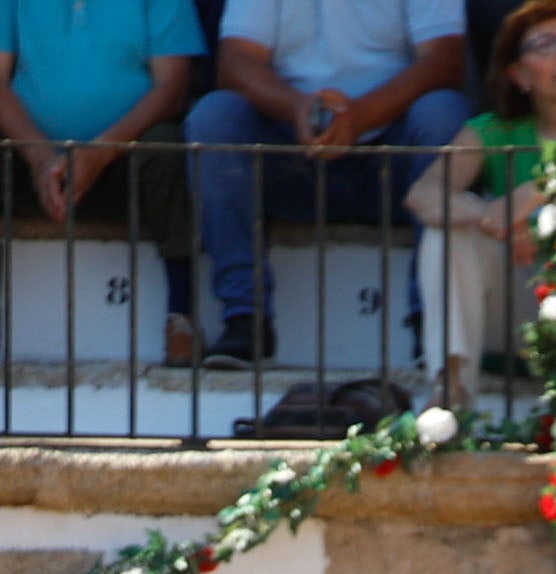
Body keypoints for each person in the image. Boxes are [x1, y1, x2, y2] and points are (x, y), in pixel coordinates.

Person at [183, 0, 470, 367]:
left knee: (443, 112)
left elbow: (445, 60)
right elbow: (236, 62)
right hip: (295, 151)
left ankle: (431, 320)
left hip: (392, 152)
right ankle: (245, 319)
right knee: (215, 116)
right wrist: (298, 109)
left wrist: (360, 116)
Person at [407, 0, 556, 405]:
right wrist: (491, 215)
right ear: (517, 73)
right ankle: (450, 391)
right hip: (519, 300)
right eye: (545, 45)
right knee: (445, 231)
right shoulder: (493, 130)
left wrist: (532, 195)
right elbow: (423, 195)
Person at [0, 0, 199, 363]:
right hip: (31, 166)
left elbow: (173, 88)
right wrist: (40, 157)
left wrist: (100, 152)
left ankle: (182, 317)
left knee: (169, 144)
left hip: (124, 164)